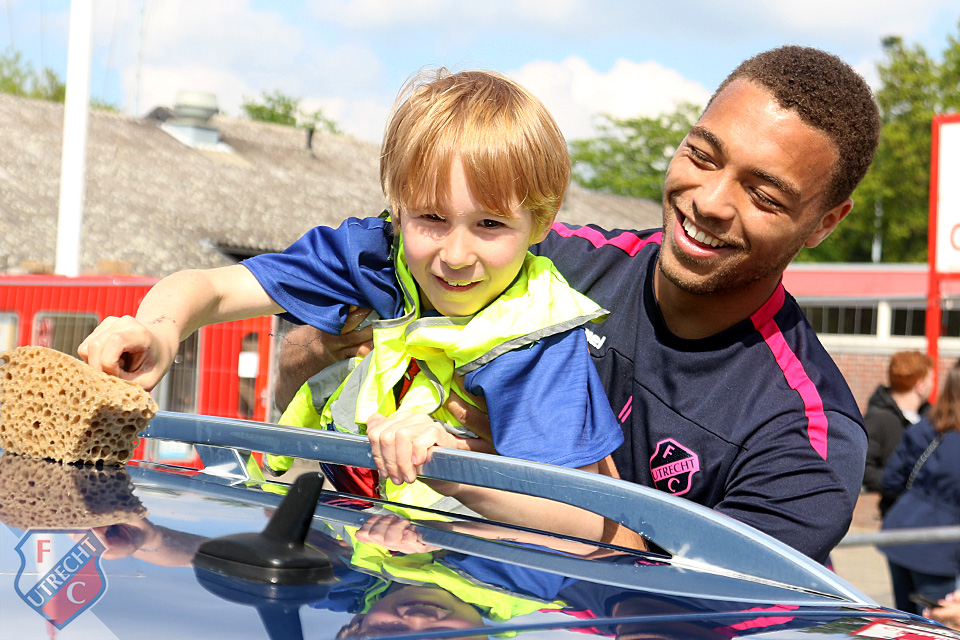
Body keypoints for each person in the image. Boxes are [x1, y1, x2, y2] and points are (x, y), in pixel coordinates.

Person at [276, 45, 879, 563]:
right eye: (702, 155)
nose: (712, 201)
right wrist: (312, 354)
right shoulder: (538, 256)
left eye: (764, 194)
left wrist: (518, 473)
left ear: (825, 223)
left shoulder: (806, 440)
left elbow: (700, 605)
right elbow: (315, 345)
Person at [78, 69, 623, 541]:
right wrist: (156, 332)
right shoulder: (375, 257)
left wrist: (451, 464)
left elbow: (577, 519)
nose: (456, 256)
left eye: (490, 224)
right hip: (367, 555)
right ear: (397, 207)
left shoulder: (538, 336)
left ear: (542, 223)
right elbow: (213, 288)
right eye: (430, 218)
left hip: (488, 590)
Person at [878, 364, 960, 615]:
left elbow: (891, 479)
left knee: (908, 624)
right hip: (939, 548)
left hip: (901, 531)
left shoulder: (926, 426)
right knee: (939, 626)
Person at [862, 350, 933, 514]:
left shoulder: (930, 418)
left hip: (929, 514)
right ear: (920, 386)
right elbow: (865, 469)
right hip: (898, 512)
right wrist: (904, 484)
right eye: (931, 379)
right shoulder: (878, 418)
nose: (933, 384)